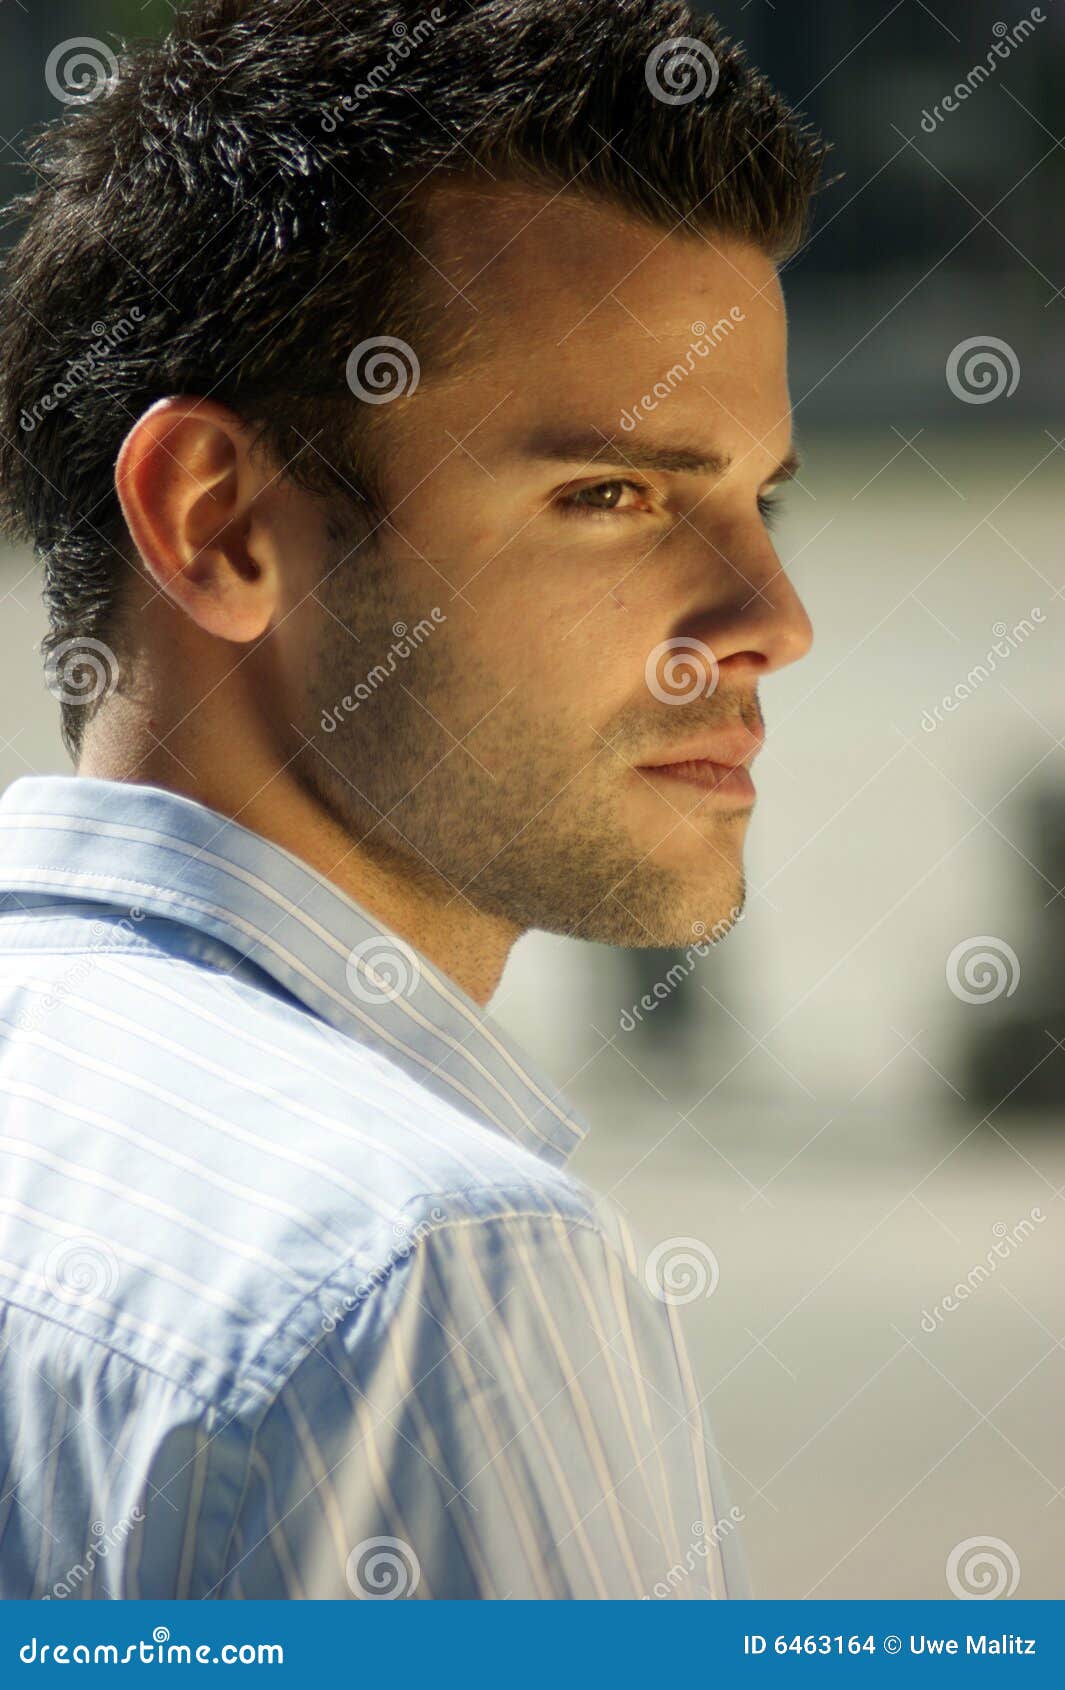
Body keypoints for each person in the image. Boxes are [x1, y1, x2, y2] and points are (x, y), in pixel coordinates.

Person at [0, 0, 824, 1598]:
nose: (771, 619)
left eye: (757, 497)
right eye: (613, 494)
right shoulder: (423, 1271)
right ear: (220, 524)